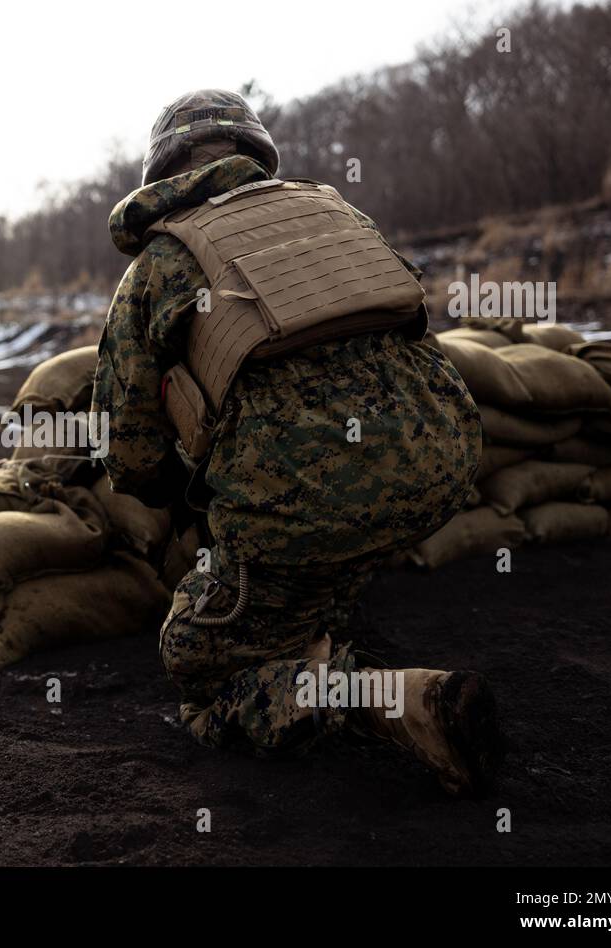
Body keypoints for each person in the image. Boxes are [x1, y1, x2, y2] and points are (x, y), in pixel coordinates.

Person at [90, 89, 502, 796]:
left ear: (161, 169)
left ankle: (384, 703)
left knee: (195, 664)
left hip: (298, 508)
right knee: (315, 554)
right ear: (257, 154)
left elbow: (126, 449)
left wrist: (190, 500)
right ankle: (315, 615)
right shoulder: (338, 215)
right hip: (444, 463)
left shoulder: (158, 264)